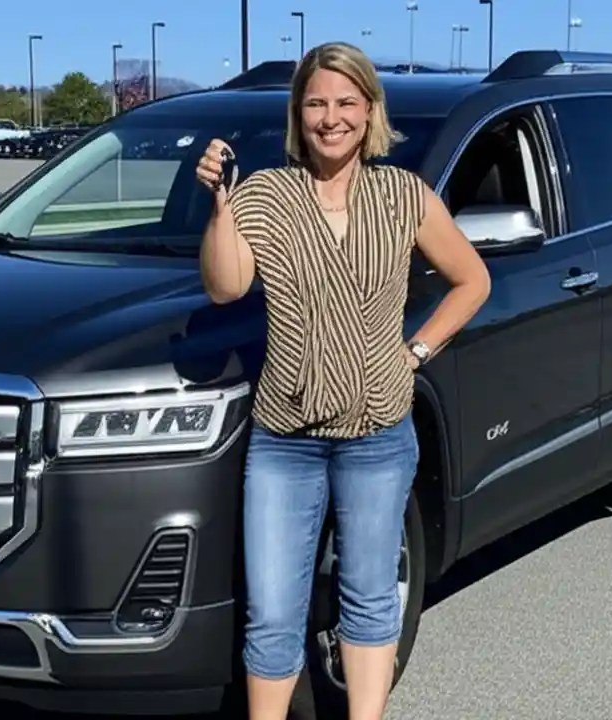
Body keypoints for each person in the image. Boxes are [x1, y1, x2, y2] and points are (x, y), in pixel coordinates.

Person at [194, 42, 491, 720]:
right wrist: (219, 205)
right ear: (299, 113)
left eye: (346, 103)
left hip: (379, 436)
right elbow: (225, 285)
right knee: (272, 611)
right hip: (284, 442)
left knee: (368, 596)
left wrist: (416, 351)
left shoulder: (403, 196)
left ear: (369, 111)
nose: (332, 117)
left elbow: (473, 280)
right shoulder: (267, 193)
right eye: (317, 103)